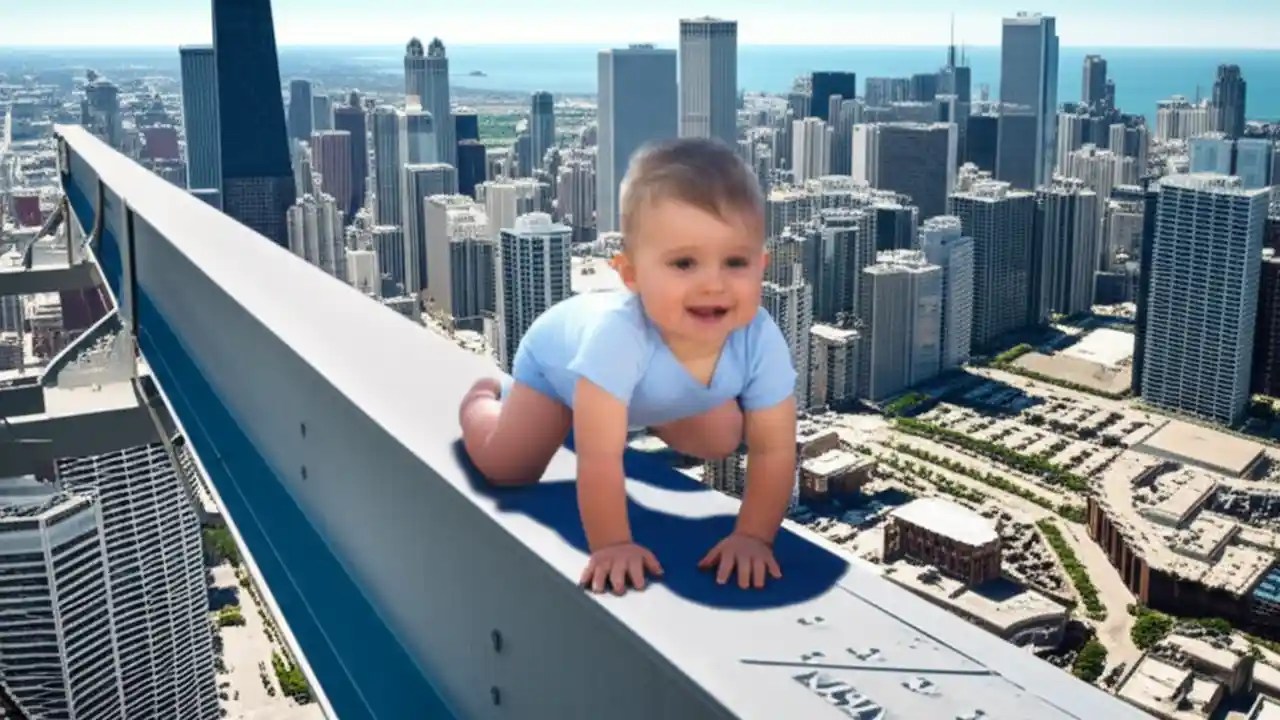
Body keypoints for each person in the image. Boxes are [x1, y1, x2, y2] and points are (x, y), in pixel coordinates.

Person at [459, 137, 797, 596]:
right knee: (508, 468)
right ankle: (483, 400)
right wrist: (613, 545)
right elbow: (600, 458)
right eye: (684, 263)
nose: (713, 284)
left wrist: (754, 537)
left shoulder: (759, 335)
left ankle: (627, 410)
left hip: (638, 391)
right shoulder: (619, 337)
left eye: (735, 262)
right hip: (557, 372)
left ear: (762, 266)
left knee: (722, 437)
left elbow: (775, 449)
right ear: (631, 275)